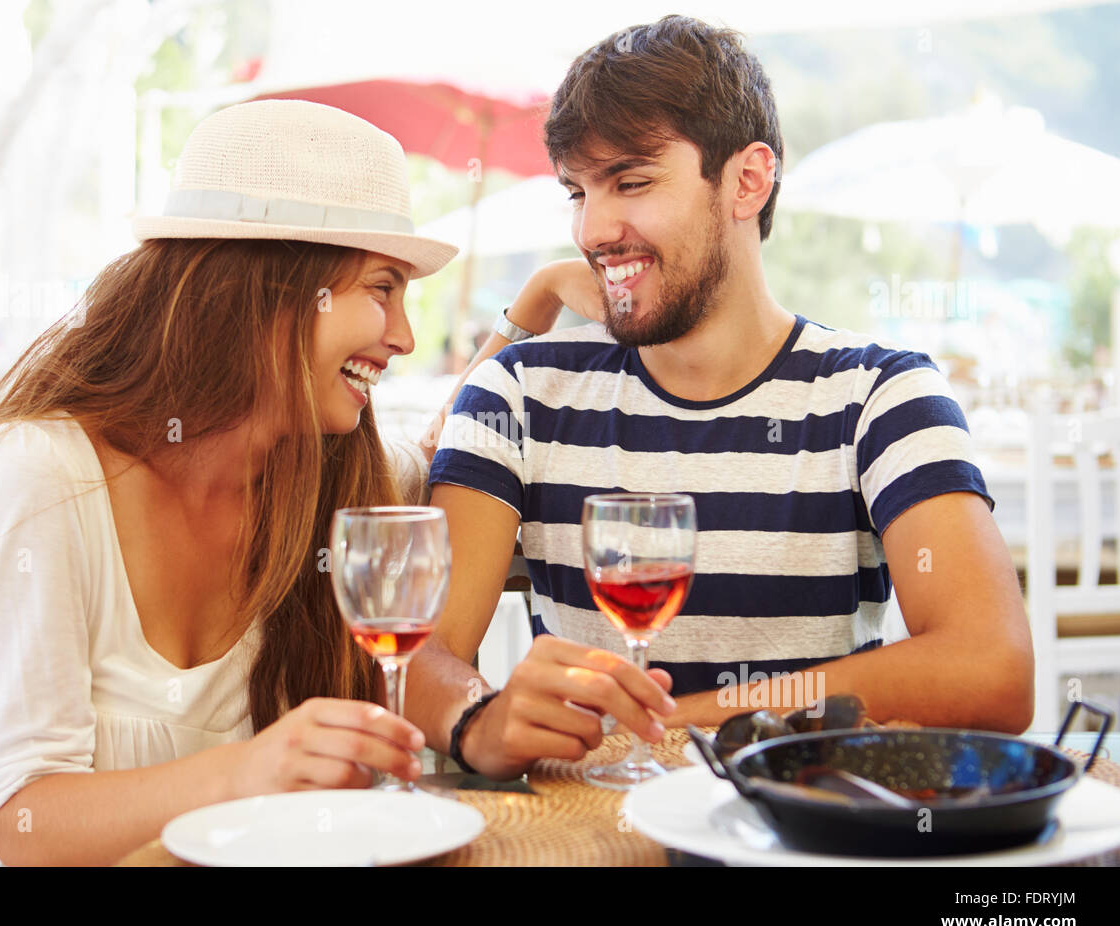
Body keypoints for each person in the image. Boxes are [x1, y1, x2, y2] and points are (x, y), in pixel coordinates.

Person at [410, 15, 1035, 781]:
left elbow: (991, 670)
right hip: (586, 825)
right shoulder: (516, 392)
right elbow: (419, 657)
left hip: (803, 823)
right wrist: (478, 718)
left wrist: (677, 720)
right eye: (578, 191)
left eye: (631, 182)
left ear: (747, 181)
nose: (593, 229)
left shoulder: (881, 396)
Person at [0, 100, 465, 866]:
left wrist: (528, 314)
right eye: (381, 288)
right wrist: (248, 772)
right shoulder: (42, 477)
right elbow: (21, 822)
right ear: (270, 291)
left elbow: (450, 445)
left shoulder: (336, 479)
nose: (404, 336)